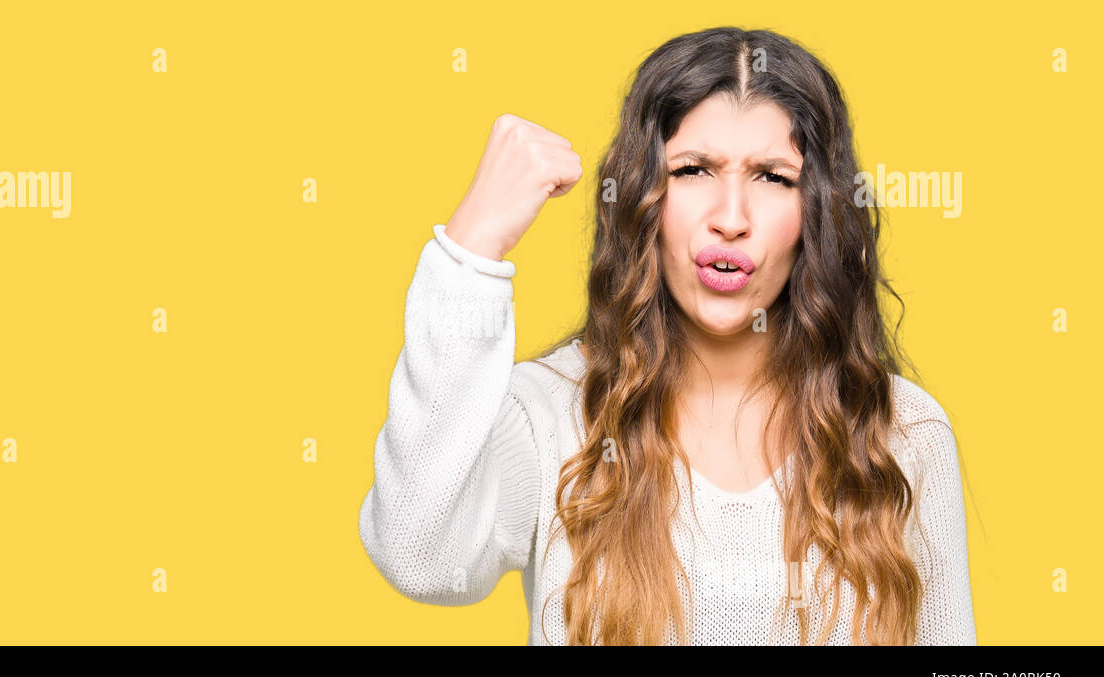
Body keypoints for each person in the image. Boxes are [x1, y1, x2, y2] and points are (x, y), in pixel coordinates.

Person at [357, 26, 977, 645]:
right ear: (643, 199)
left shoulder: (902, 434)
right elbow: (421, 554)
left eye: (772, 177)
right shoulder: (550, 415)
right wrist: (471, 249)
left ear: (815, 211)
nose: (730, 219)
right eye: (693, 170)